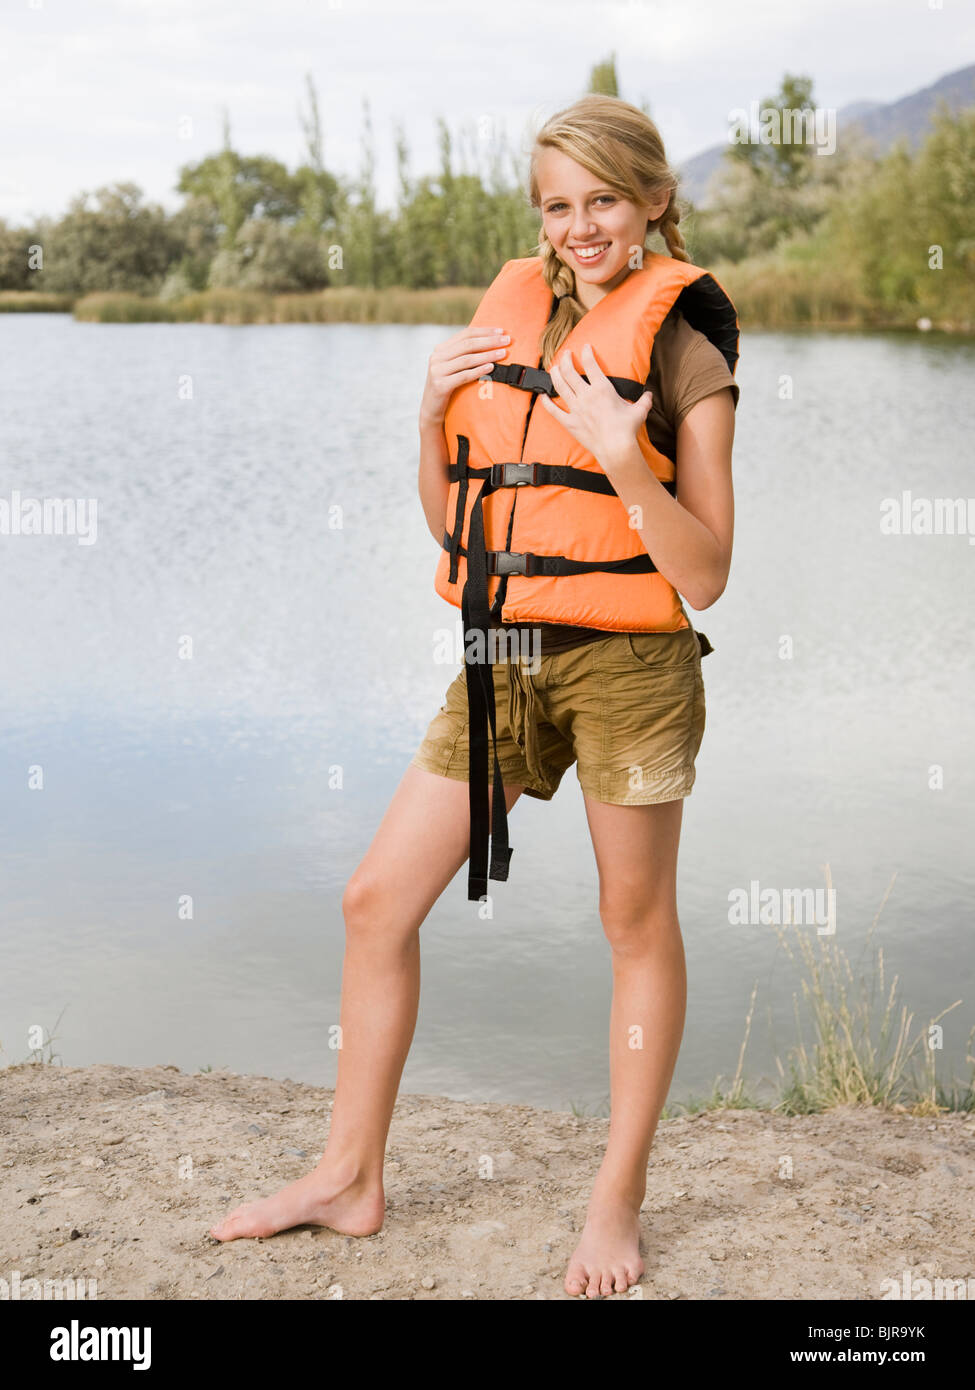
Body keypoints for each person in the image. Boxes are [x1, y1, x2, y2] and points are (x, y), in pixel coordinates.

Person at [210, 93, 739, 1301]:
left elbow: (705, 571)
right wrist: (425, 413)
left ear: (653, 198)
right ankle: (349, 1176)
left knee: (631, 922)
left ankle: (616, 1198)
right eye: (559, 205)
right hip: (503, 647)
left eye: (604, 199)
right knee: (374, 898)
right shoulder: (520, 313)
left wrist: (618, 454)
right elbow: (457, 520)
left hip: (630, 665)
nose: (580, 226)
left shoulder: (683, 345)